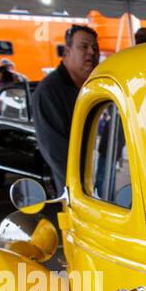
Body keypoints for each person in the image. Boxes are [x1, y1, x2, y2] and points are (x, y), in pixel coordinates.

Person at [32, 24, 99, 190]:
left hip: (103, 185)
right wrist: (83, 186)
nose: (91, 52)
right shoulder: (49, 91)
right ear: (67, 52)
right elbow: (56, 152)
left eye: (95, 48)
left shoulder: (93, 86)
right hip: (78, 192)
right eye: (84, 46)